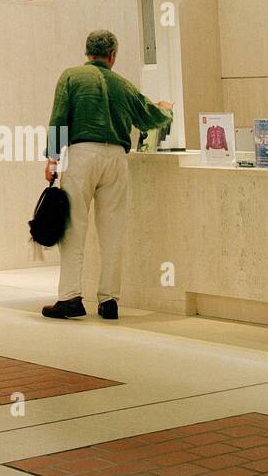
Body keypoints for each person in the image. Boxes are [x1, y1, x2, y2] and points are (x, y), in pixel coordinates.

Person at [42, 30, 172, 321]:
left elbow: (58, 118)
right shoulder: (123, 85)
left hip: (81, 155)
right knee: (112, 231)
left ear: (87, 52)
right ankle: (109, 300)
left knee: (74, 227)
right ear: (113, 55)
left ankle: (70, 298)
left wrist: (52, 158)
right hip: (116, 157)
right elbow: (150, 116)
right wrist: (167, 111)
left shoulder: (71, 77)